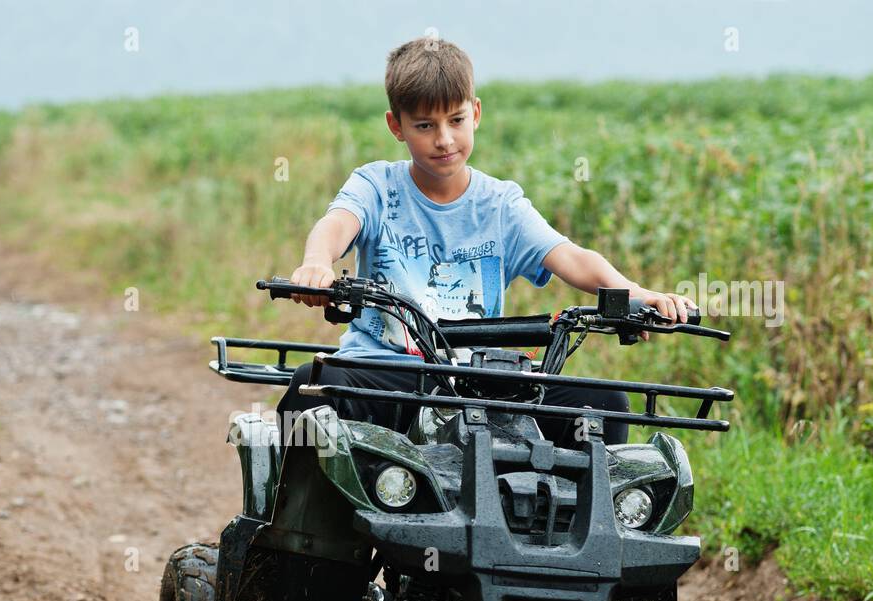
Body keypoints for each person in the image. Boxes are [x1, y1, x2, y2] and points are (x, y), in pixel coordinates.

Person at [276, 36, 697, 447]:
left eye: (455, 120)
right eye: (425, 125)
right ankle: (294, 513)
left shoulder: (500, 205)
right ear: (396, 126)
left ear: (475, 113)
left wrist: (639, 295)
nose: (444, 139)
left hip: (480, 383)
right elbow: (337, 223)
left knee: (603, 403)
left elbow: (571, 257)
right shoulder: (377, 185)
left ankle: (570, 516)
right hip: (388, 377)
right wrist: (317, 262)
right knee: (315, 384)